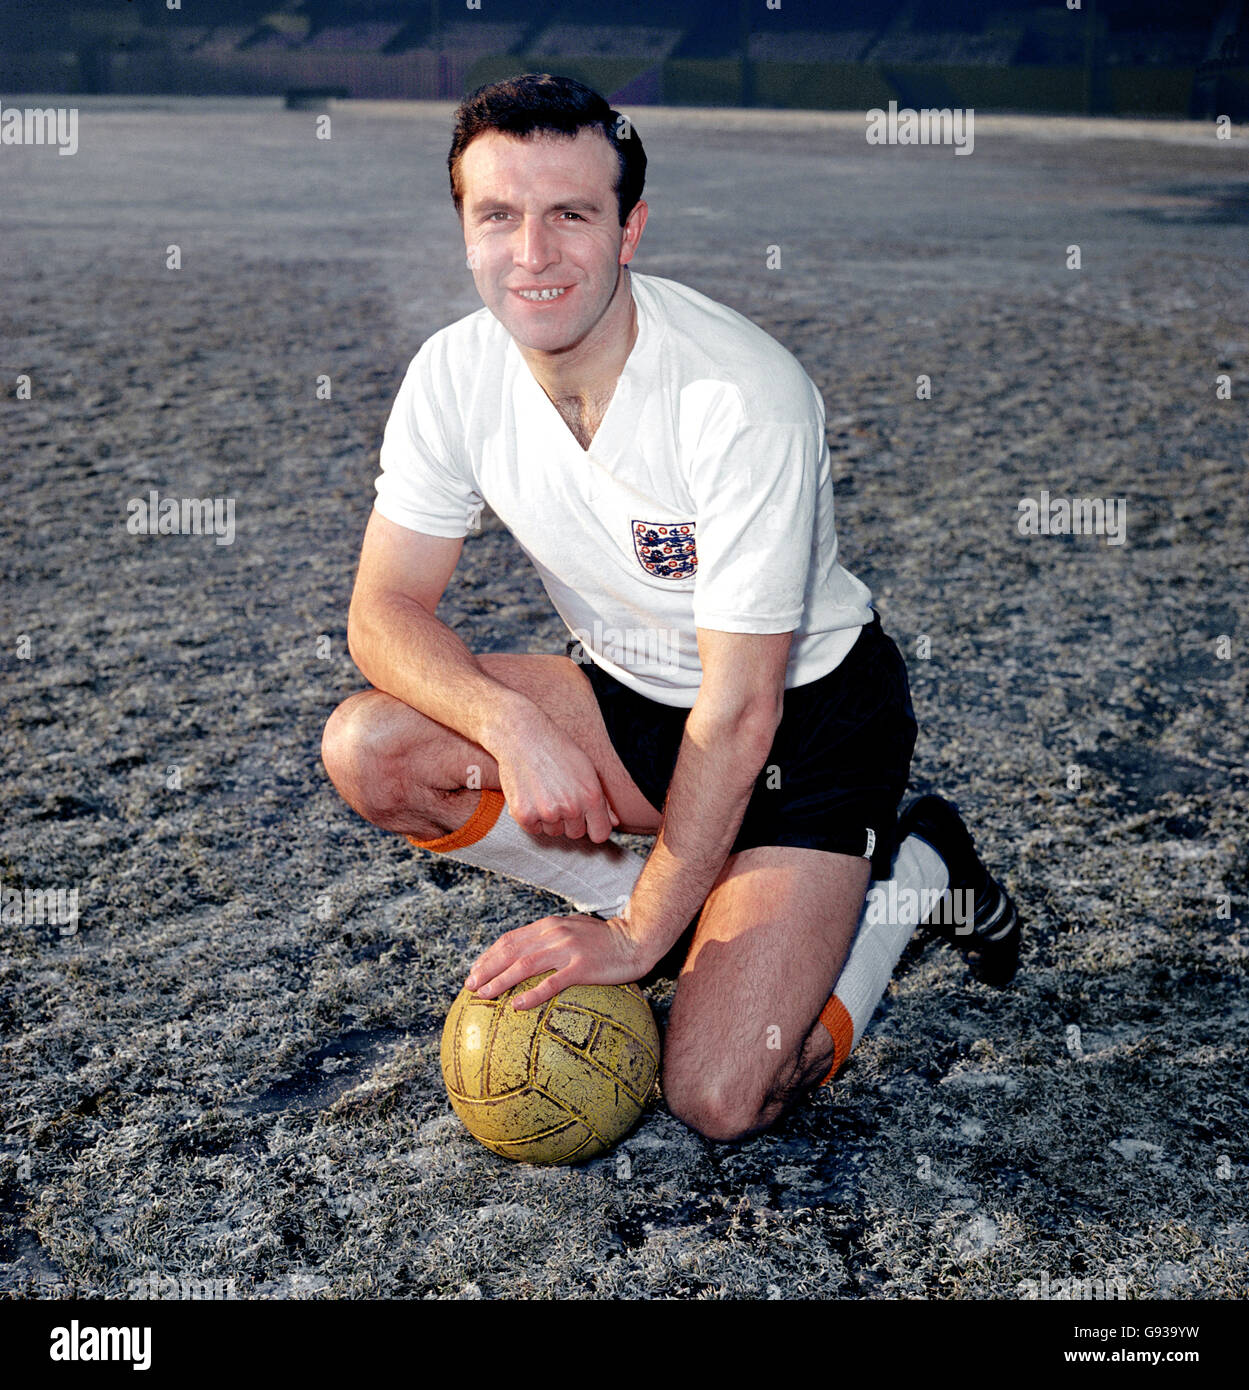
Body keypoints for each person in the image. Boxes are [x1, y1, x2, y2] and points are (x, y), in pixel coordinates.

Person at [321, 73, 1020, 1143]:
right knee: (373, 746)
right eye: (498, 216)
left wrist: (641, 938)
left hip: (803, 728)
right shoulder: (451, 375)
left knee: (719, 1098)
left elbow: (741, 713)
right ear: (463, 228)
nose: (533, 254)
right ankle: (674, 886)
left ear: (629, 227)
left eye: (571, 215)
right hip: (626, 700)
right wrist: (512, 725)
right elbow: (382, 613)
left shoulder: (738, 395)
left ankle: (910, 875)